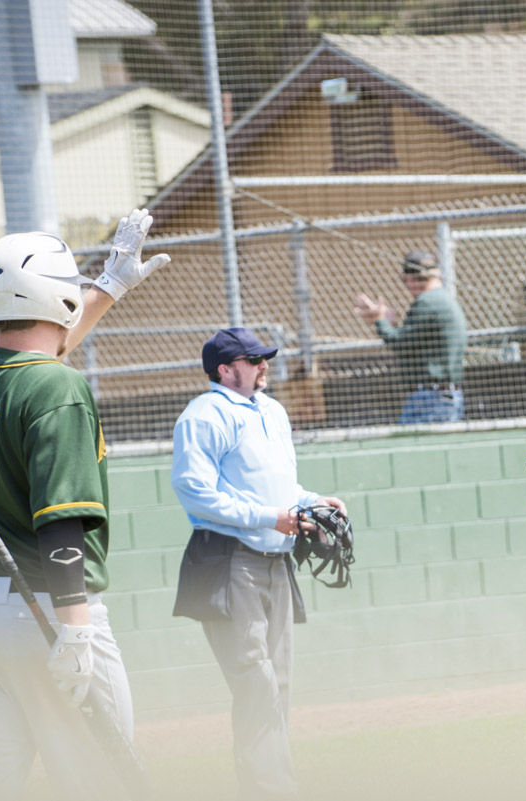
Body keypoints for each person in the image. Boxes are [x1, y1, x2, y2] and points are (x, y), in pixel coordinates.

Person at [0, 210, 170, 799]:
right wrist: (75, 631)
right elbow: (61, 523)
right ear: (54, 293)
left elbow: (43, 352)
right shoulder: (58, 387)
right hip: (43, 614)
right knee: (103, 785)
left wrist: (108, 288)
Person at [171, 327, 346, 800]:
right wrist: (271, 517)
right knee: (256, 684)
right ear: (225, 370)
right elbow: (195, 492)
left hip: (276, 562)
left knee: (279, 683)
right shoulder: (203, 416)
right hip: (230, 560)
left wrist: (313, 502)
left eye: (264, 357)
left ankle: (268, 786)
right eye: (253, 359)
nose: (264, 364)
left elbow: (280, 488)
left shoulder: (272, 410)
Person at [352, 250, 467, 423]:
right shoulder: (442, 299)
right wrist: (387, 324)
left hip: (432, 398)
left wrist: (380, 321)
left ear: (411, 279)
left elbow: (400, 343)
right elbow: (413, 341)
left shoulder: (427, 303)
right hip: (440, 396)